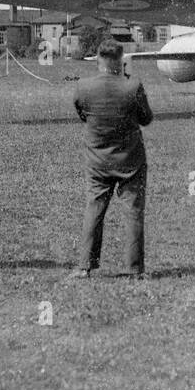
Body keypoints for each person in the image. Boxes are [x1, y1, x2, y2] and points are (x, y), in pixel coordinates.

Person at [70, 38, 152, 279]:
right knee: (134, 212)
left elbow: (82, 114)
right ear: (121, 60)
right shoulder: (133, 86)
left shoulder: (83, 86)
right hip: (130, 161)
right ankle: (135, 270)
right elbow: (146, 118)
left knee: (94, 209)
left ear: (98, 60)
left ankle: (85, 266)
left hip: (98, 160)